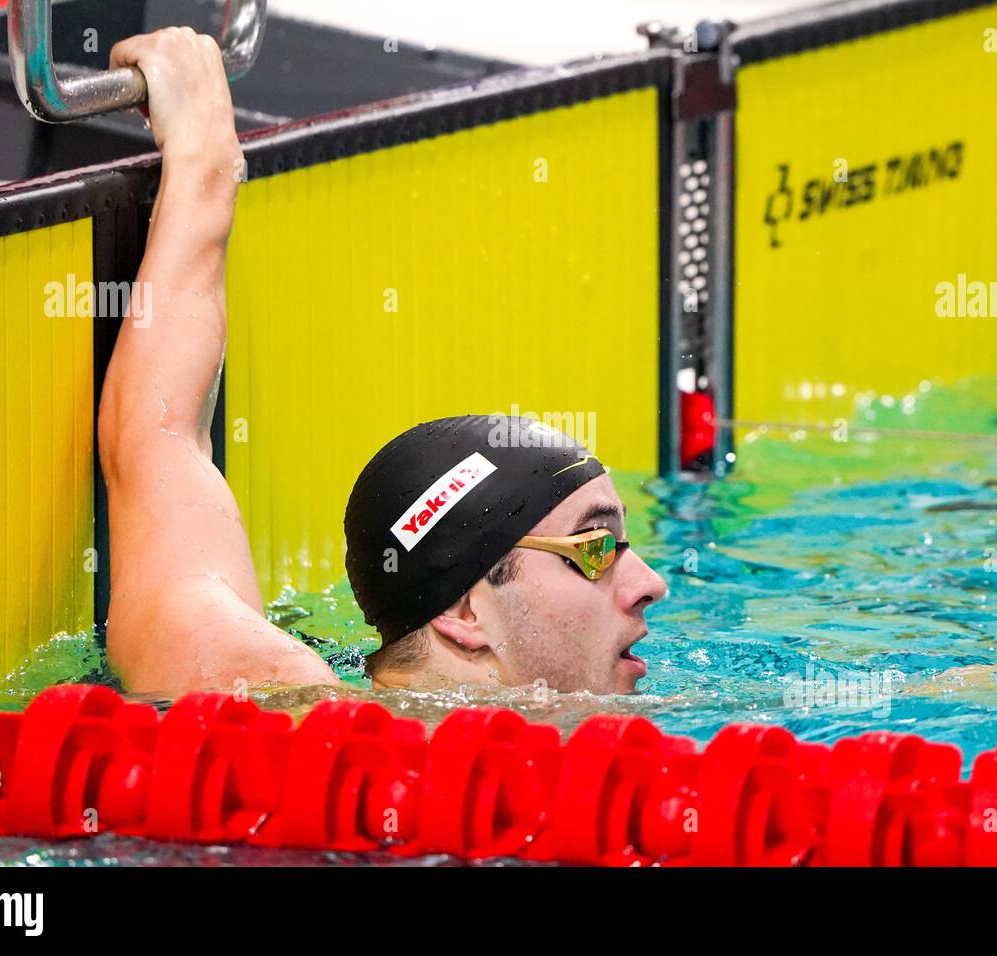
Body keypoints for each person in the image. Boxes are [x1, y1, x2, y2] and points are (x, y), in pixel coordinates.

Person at [97, 29, 667, 699]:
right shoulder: (281, 709)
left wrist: (207, 161)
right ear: (463, 613)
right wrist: (204, 158)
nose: (650, 584)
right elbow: (156, 439)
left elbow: (158, 445)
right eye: (596, 550)